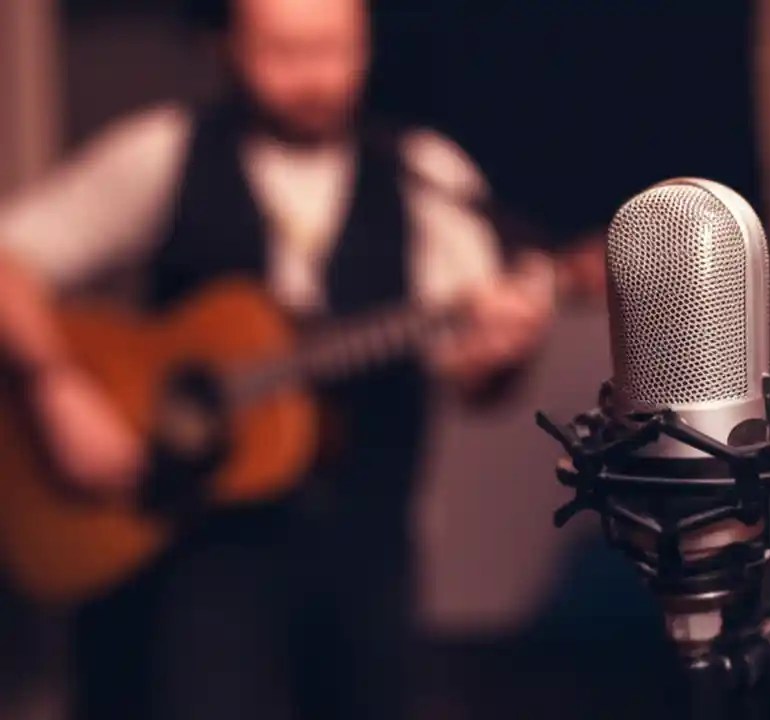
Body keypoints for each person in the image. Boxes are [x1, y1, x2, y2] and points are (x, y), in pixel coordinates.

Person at [0, 0, 554, 718]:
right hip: (201, 558)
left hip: (371, 553)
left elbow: (478, 381)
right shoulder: (164, 152)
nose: (313, 78)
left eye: (334, 51)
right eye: (284, 54)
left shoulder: (425, 174)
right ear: (229, 47)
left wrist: (506, 350)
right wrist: (56, 384)